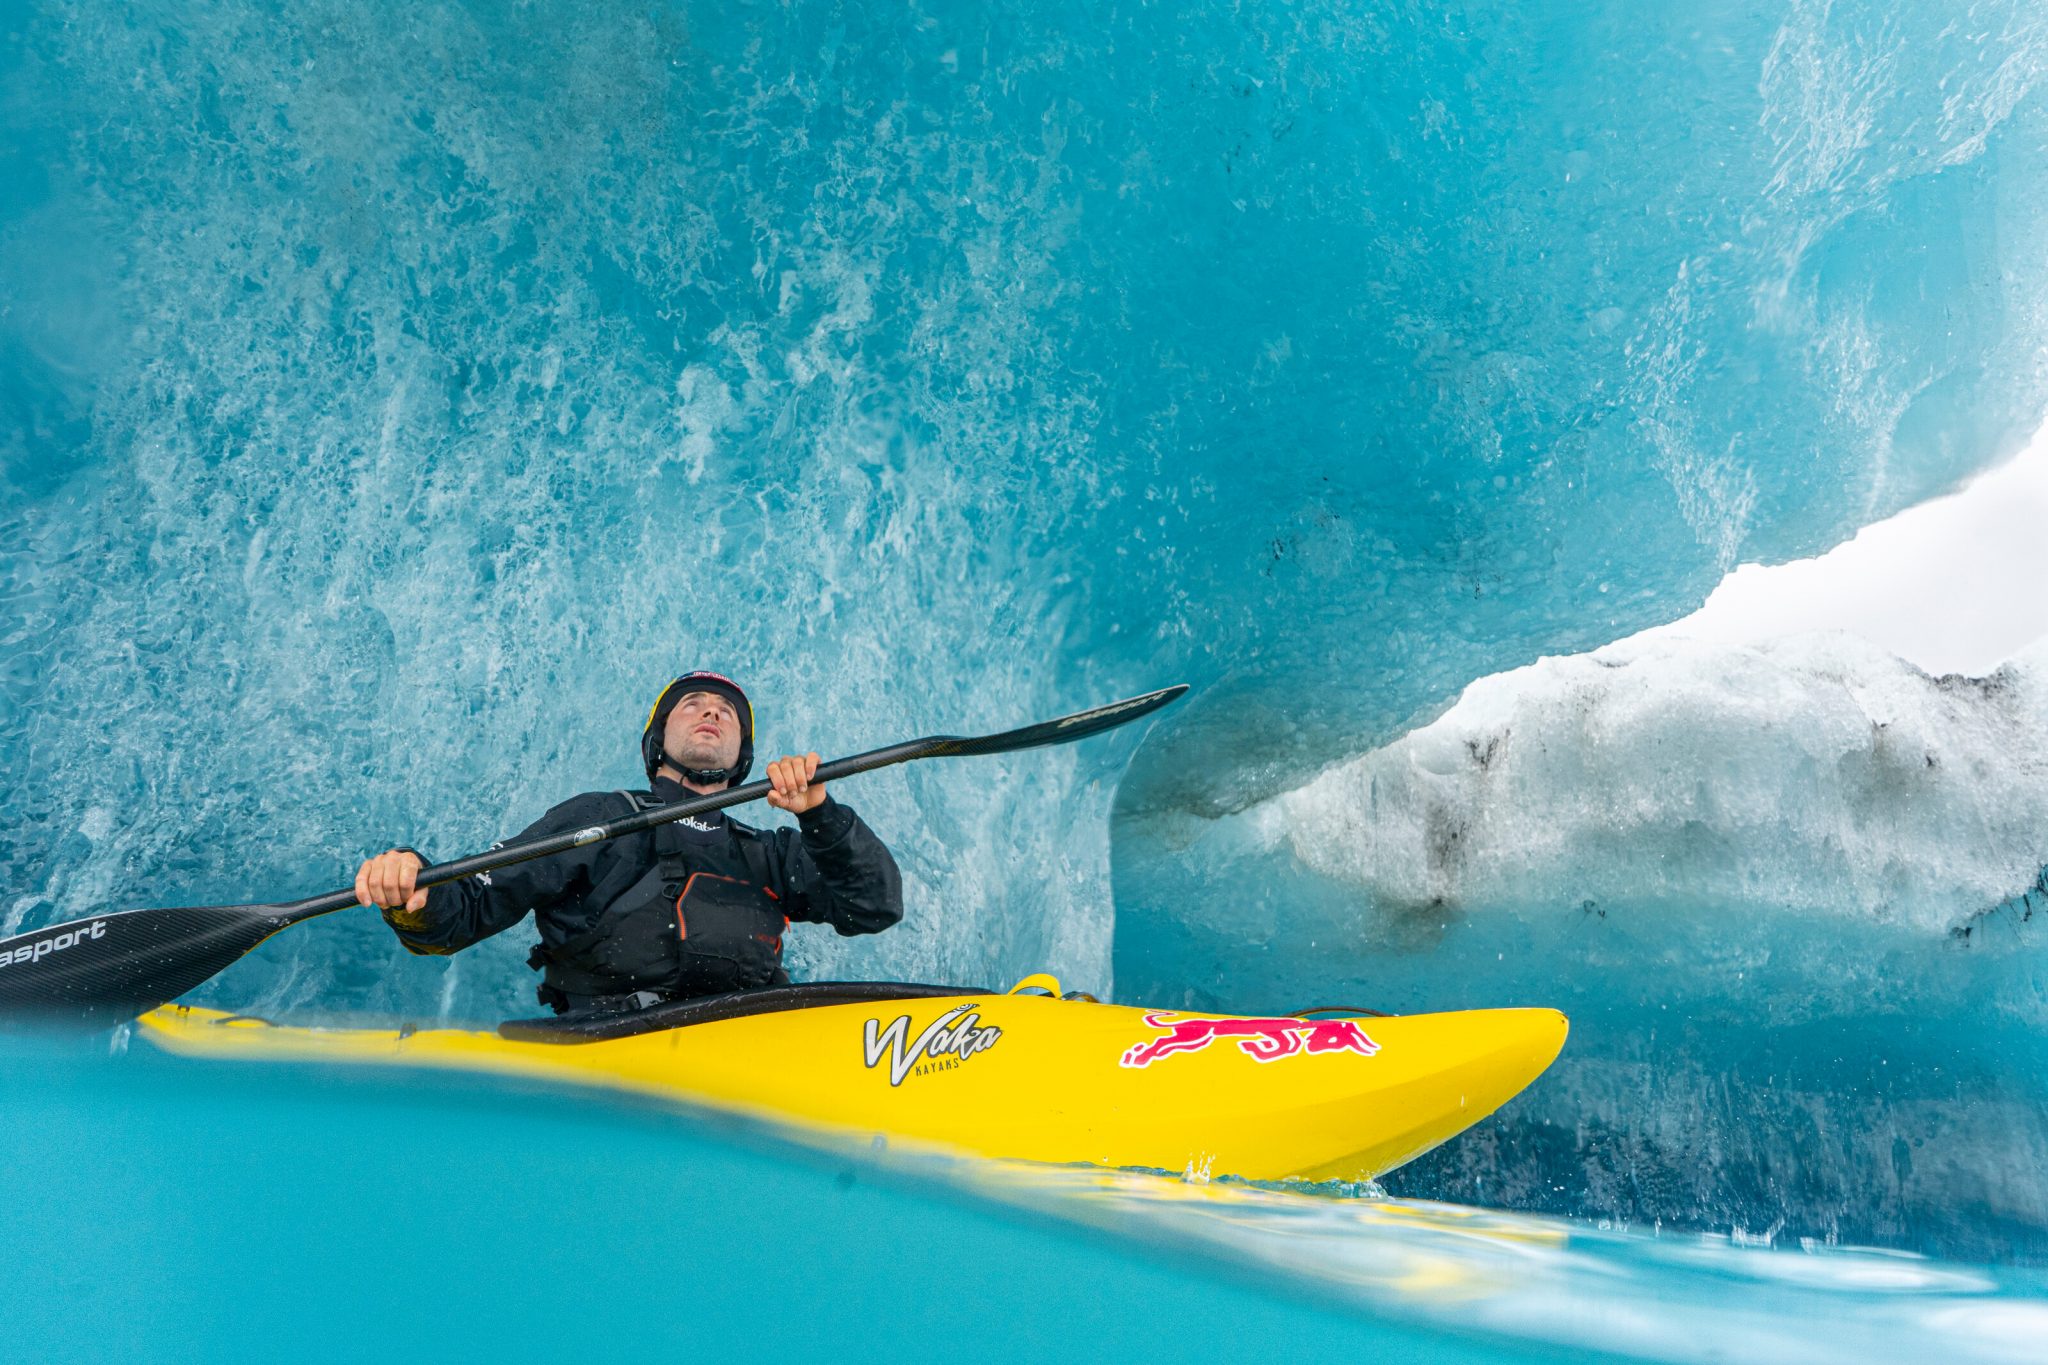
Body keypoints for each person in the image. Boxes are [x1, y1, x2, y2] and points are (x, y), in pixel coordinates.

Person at [353, 670, 903, 1014]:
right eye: (692, 705)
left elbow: (876, 906)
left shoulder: (771, 852)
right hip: (613, 1048)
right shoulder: (599, 819)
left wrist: (822, 816)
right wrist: (413, 891)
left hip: (748, 1045)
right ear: (657, 740)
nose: (712, 710)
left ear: (743, 759)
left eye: (727, 712)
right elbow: (464, 914)